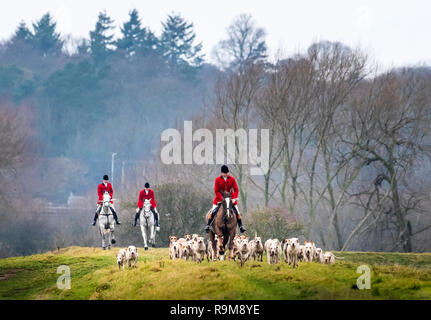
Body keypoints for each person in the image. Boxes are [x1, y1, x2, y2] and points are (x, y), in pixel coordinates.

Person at [204, 165, 246, 233]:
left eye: (227, 173)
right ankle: (208, 225)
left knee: (237, 211)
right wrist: (221, 198)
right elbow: (216, 191)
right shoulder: (217, 180)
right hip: (219, 199)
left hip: (230, 199)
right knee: (213, 211)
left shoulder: (232, 179)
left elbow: (236, 189)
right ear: (222, 173)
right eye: (225, 173)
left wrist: (234, 198)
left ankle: (241, 226)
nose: (226, 174)